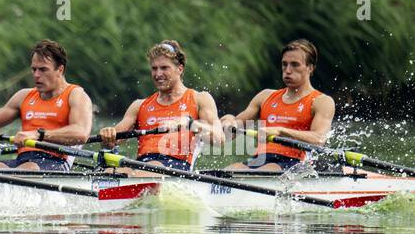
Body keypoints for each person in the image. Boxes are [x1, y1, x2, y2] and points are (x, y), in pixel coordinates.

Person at [98, 40, 223, 173]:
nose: (158, 74)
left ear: (179, 69)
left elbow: (219, 139)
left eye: (164, 68)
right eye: (154, 68)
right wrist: (108, 136)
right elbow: (114, 142)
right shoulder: (139, 105)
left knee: (151, 166)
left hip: (177, 168)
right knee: (110, 172)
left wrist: (191, 124)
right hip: (141, 166)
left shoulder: (200, 99)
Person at [0, 39, 92, 170]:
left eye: (43, 70)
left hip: (57, 161)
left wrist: (38, 135)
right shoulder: (24, 96)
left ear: (60, 69)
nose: (36, 75)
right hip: (23, 160)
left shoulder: (76, 95)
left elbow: (81, 134)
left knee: (27, 168)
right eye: (34, 69)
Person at [219, 38, 335, 171]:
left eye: (295, 65)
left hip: (295, 164)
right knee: (228, 170)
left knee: (268, 168)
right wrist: (228, 120)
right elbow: (234, 129)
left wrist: (281, 131)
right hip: (260, 160)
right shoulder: (265, 96)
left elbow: (319, 139)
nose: (288, 70)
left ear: (310, 68)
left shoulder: (321, 101)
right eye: (284, 64)